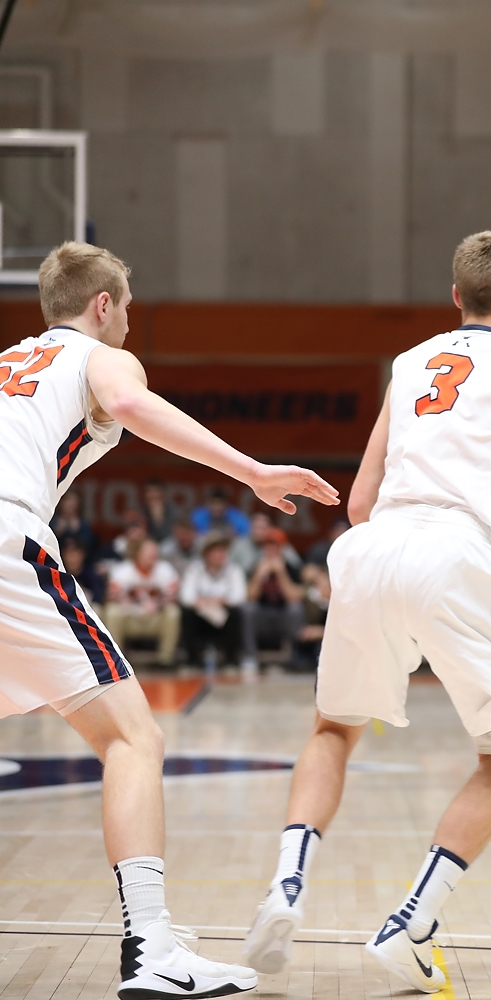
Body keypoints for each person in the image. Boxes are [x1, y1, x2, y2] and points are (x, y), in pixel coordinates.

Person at [241, 231, 491, 992]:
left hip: (373, 550)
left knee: (333, 729)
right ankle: (410, 926)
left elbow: (359, 501)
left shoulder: (408, 365)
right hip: (459, 558)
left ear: (455, 295)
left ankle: (285, 886)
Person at [0, 241, 336, 998]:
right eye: (127, 308)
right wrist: (251, 471)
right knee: (133, 735)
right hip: (6, 537)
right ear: (103, 305)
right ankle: (150, 946)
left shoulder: (9, 365)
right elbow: (126, 404)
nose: (129, 324)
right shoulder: (94, 356)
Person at [103, 538, 181, 665]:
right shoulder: (122, 570)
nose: (153, 554)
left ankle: (165, 660)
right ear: (137, 552)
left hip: (155, 617)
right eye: (148, 551)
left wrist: (157, 604)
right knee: (112, 611)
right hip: (131, 616)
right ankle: (116, 660)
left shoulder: (165, 569)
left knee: (173, 611)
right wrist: (133, 603)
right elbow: (110, 597)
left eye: (155, 551)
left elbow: (174, 597)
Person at [180, 533, 248, 668]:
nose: (220, 555)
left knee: (237, 613)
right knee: (186, 613)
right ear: (206, 554)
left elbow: (240, 596)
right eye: (215, 551)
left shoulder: (234, 570)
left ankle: (231, 659)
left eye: (222, 551)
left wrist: (220, 601)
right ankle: (192, 659)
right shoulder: (194, 569)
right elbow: (185, 596)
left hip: (224, 614)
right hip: (201, 614)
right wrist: (202, 602)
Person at [243, 526, 304, 665]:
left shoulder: (290, 567)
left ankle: (294, 655)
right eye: (267, 547)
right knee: (248, 609)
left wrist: (281, 574)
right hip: (262, 615)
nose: (271, 551)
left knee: (296, 609)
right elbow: (249, 597)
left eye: (274, 547)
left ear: (281, 548)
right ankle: (250, 656)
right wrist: (259, 576)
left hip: (283, 616)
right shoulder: (255, 565)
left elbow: (294, 597)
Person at [291, 562, 329, 670]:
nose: (320, 585)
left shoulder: (342, 601)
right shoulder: (313, 597)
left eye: (323, 580)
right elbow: (294, 593)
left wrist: (321, 632)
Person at [61, 532, 107, 603]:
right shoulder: (59, 574)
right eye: (68, 553)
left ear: (83, 554)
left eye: (75, 554)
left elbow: (98, 598)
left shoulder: (91, 575)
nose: (71, 558)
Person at [50, 489, 97, 556]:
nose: (70, 504)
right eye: (67, 500)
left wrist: (77, 531)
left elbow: (91, 546)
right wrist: (57, 532)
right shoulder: (52, 522)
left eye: (73, 501)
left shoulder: (83, 525)